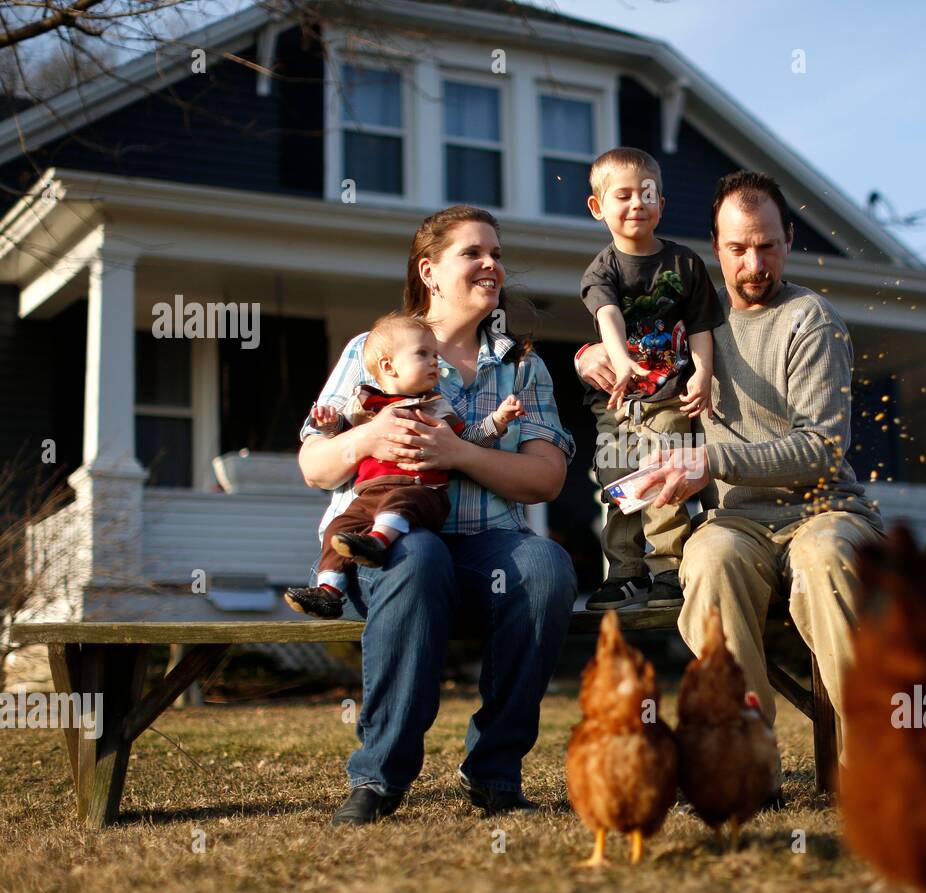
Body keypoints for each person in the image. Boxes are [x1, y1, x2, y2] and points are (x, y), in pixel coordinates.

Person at [577, 171, 885, 734]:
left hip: (825, 513)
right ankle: (746, 761)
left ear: (789, 240)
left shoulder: (808, 320)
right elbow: (628, 349)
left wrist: (712, 462)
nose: (754, 265)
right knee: (710, 559)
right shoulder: (689, 321)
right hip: (736, 522)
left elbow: (820, 449)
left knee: (824, 561)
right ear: (716, 248)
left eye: (767, 246)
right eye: (738, 249)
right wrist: (589, 355)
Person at [298, 205, 578, 825]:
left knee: (546, 567)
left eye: (498, 254)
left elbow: (546, 477)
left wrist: (459, 452)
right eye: (474, 253)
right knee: (418, 555)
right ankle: (379, 778)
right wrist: (364, 441)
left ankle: (495, 773)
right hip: (386, 540)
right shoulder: (374, 351)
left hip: (487, 551)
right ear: (429, 271)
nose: (492, 265)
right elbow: (314, 465)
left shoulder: (522, 365)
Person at [285, 312, 524, 619]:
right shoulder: (364, 404)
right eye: (423, 355)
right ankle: (329, 591)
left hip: (422, 491)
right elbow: (341, 439)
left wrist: (499, 421)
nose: (435, 362)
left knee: (399, 502)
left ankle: (379, 542)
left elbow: (470, 437)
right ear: (388, 366)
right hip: (369, 495)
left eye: (435, 355)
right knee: (339, 526)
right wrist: (331, 424)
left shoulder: (436, 406)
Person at [576, 147, 724, 611]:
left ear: (662, 202)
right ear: (598, 207)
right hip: (618, 402)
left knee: (663, 478)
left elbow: (701, 325)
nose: (637, 203)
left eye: (647, 193)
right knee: (618, 482)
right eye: (623, 195)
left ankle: (667, 569)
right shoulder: (603, 269)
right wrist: (620, 361)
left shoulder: (684, 264)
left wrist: (702, 373)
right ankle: (624, 572)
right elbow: (608, 316)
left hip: (669, 398)